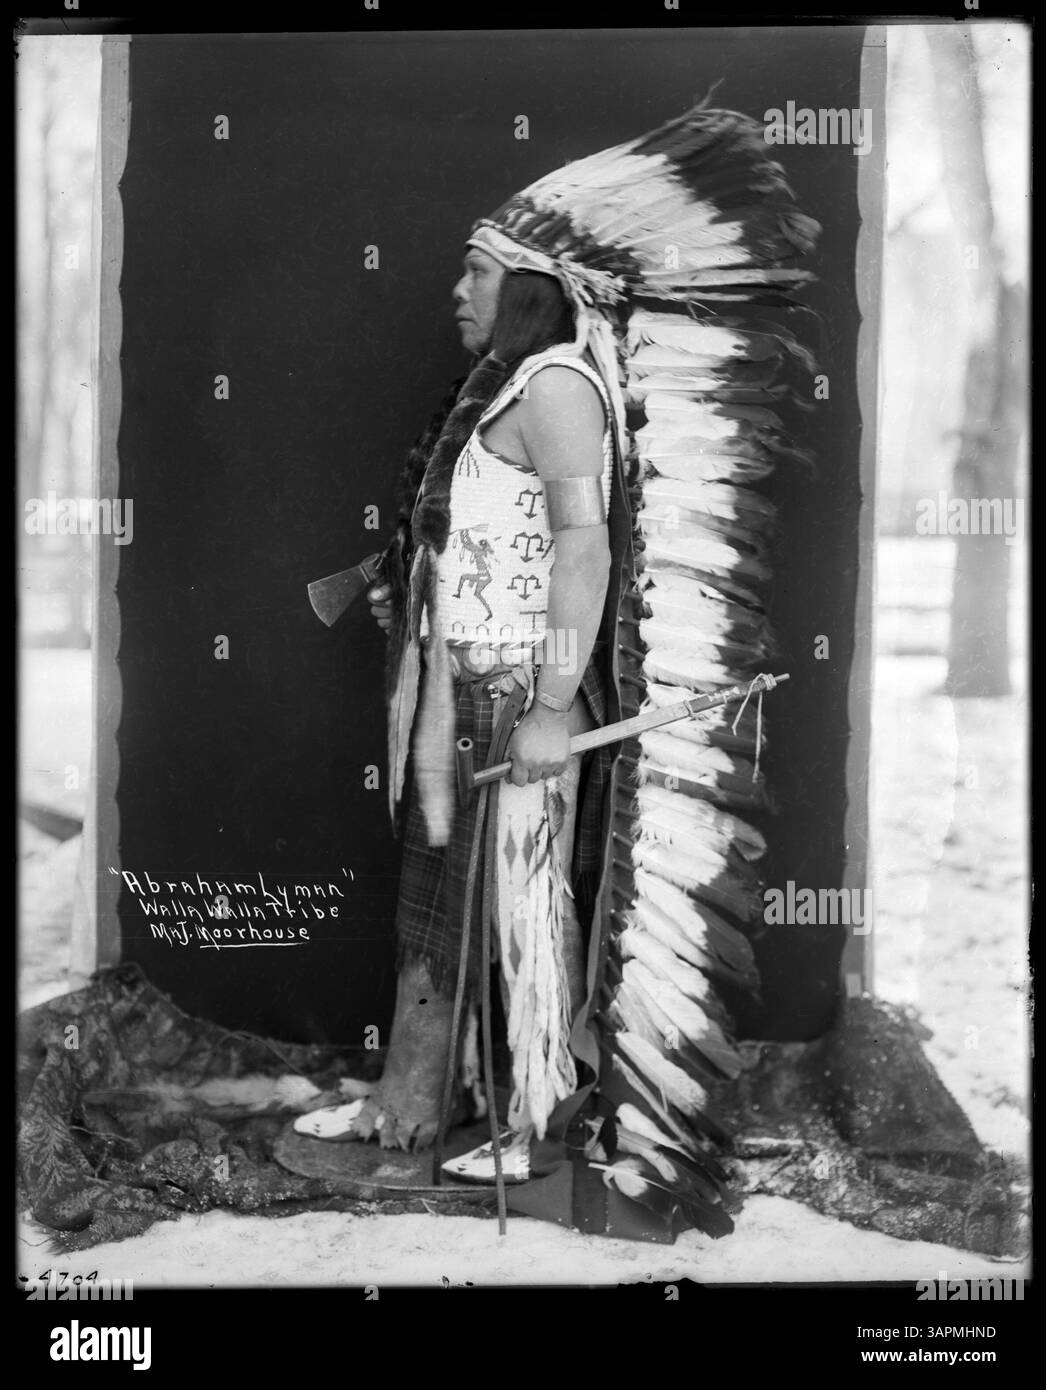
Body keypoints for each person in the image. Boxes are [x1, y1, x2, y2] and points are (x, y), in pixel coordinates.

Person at [298, 103, 819, 1239]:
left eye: (475, 275)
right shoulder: (510, 384)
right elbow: (489, 531)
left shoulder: (556, 390)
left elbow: (585, 548)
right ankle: (413, 1096)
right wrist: (413, 584)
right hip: (461, 695)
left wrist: (544, 706)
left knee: (526, 915)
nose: (456, 291)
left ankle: (536, 1121)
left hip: (509, 701)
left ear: (528, 286)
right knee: (441, 909)